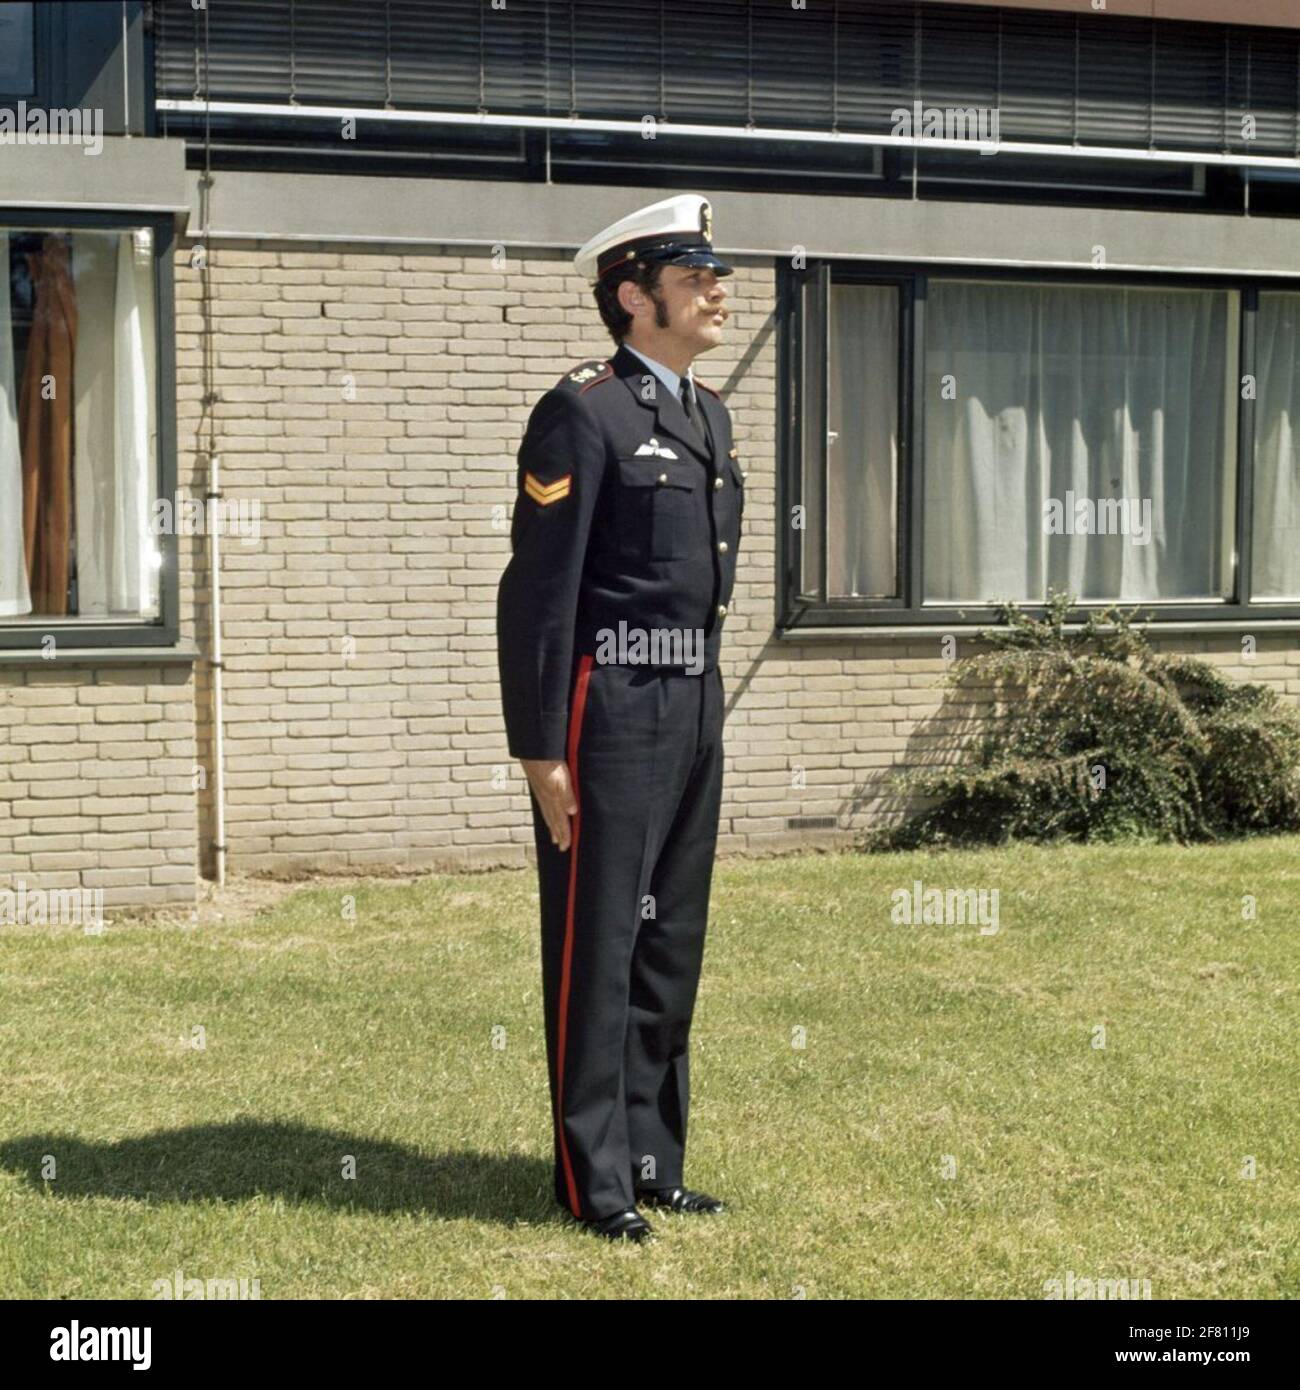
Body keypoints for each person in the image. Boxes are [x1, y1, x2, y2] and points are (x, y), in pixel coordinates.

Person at [496, 194, 745, 1242]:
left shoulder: (706, 412)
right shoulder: (584, 412)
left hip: (690, 701)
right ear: (634, 298)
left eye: (713, 276)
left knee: (667, 942)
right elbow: (538, 592)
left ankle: (654, 1159)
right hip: (609, 710)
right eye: (694, 279)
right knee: (600, 941)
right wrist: (539, 748)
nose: (716, 291)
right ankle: (592, 1179)